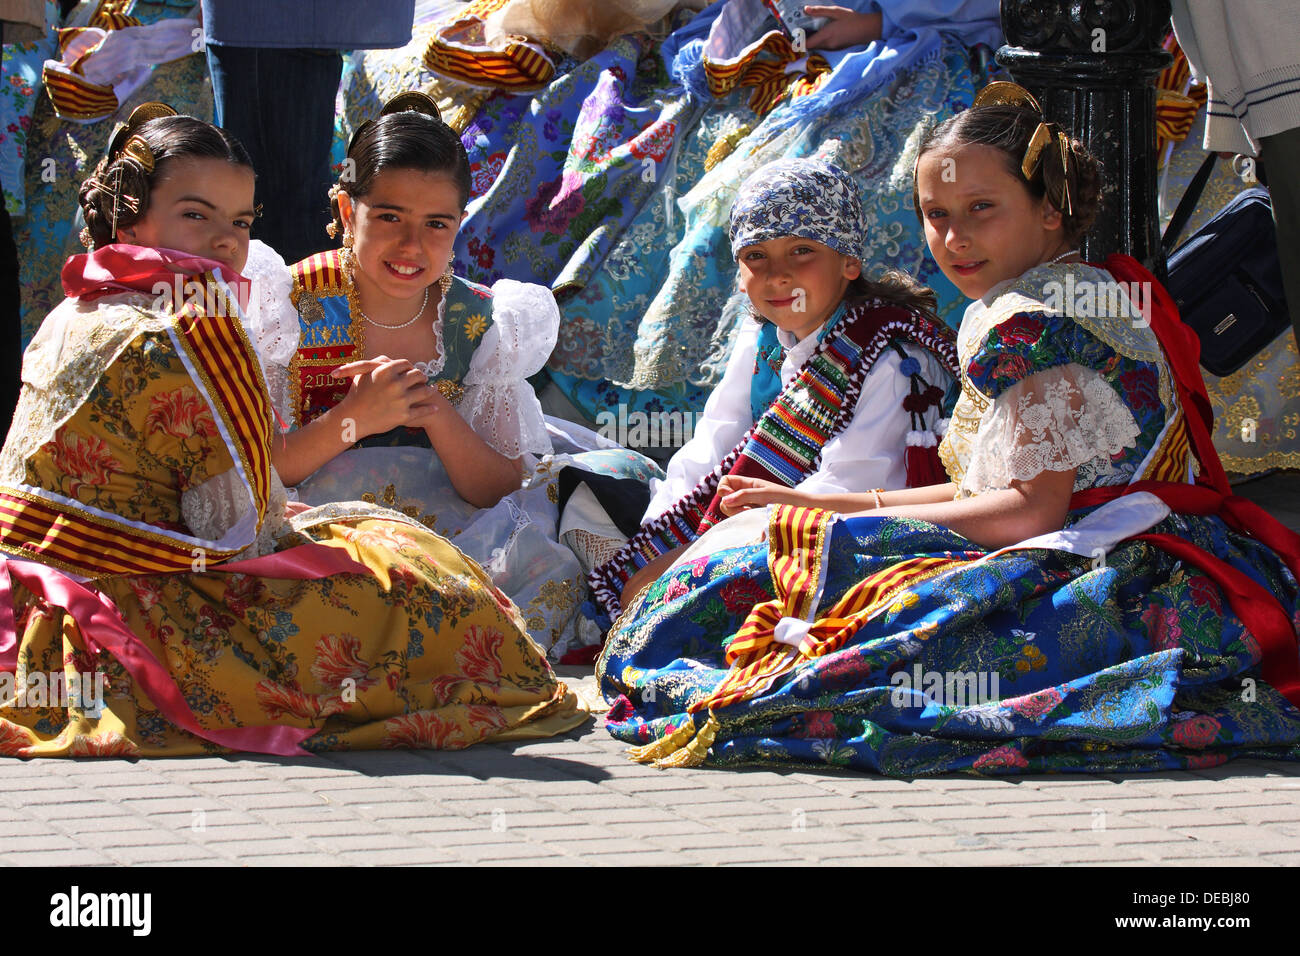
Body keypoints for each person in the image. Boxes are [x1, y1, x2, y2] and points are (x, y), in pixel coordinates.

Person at [595, 82, 1300, 775]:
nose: (954, 238)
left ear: (1050, 210)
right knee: (768, 557)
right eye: (935, 214)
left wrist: (825, 509)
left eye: (981, 210)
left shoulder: (1025, 323)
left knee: (768, 598)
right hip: (1161, 549)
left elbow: (1032, 509)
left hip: (1108, 571)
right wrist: (820, 508)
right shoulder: (1096, 283)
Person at [0, 104, 586, 757]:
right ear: (130, 214)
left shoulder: (78, 306)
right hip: (127, 605)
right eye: (196, 215)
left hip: (24, 597)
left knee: (417, 554)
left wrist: (426, 418)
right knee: (423, 593)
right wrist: (343, 457)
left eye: (240, 223)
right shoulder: (232, 319)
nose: (225, 240)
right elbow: (237, 525)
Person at [262, 93, 645, 658]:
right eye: (388, 217)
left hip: (453, 517)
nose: (411, 246)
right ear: (347, 212)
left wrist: (435, 411)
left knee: (538, 561)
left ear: (459, 223)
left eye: (435, 224)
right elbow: (267, 468)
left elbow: (496, 487)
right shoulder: (288, 308)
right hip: (323, 517)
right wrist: (354, 420)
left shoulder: (483, 321)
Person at [589, 158, 956, 615]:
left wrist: (698, 553)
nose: (777, 275)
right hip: (758, 519)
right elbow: (710, 447)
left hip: (839, 535)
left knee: (665, 600)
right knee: (584, 493)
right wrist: (658, 537)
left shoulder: (894, 358)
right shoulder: (763, 338)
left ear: (849, 262)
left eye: (802, 251)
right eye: (756, 256)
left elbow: (852, 487)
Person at [200, 0, 416, 265]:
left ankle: (304, 293)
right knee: (278, 200)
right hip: (274, 27)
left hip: (280, 25)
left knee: (285, 201)